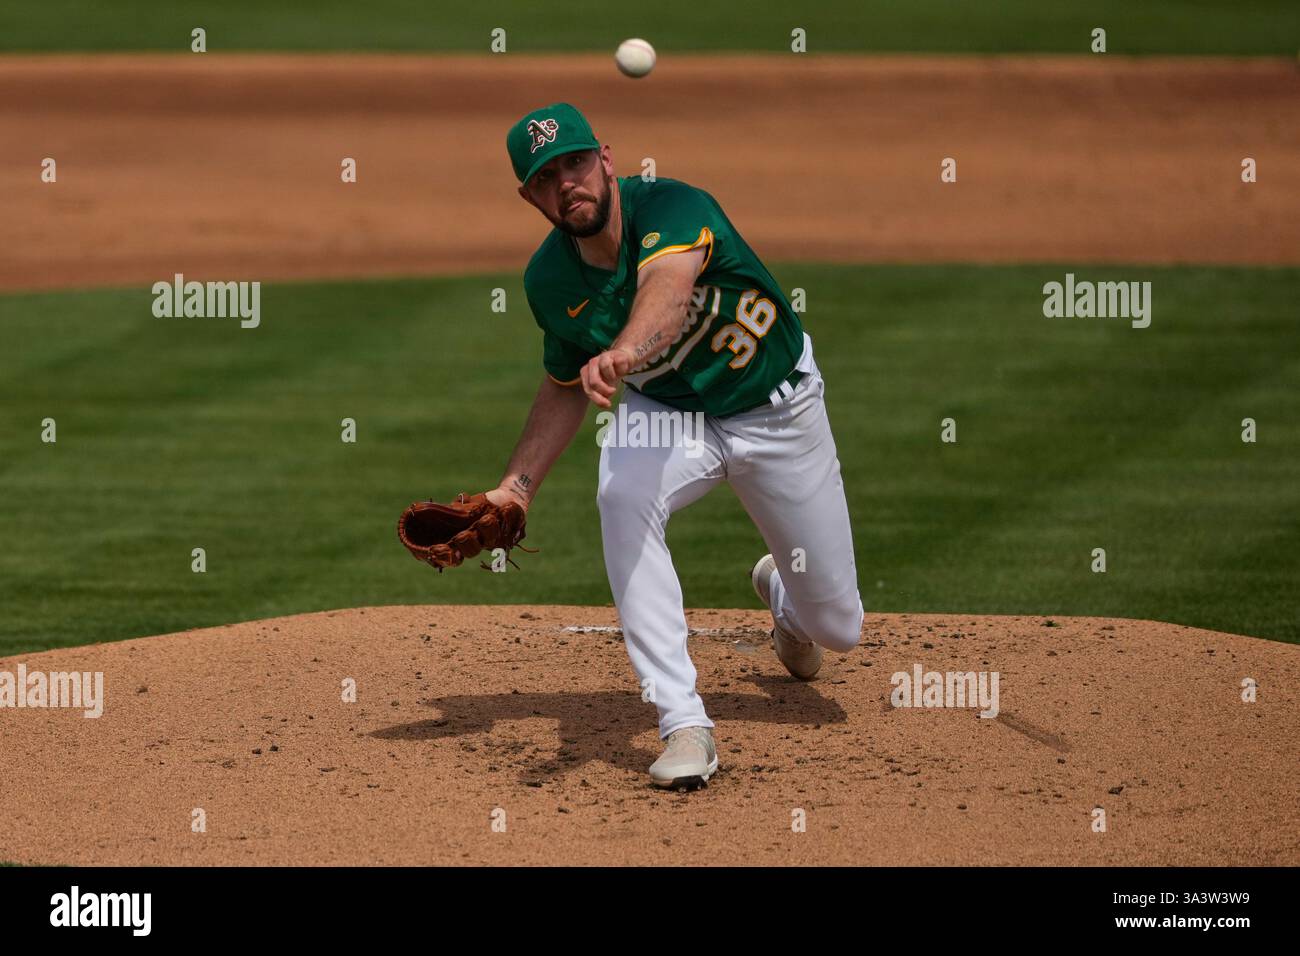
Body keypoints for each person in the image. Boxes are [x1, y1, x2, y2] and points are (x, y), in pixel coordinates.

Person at [486, 103, 864, 789]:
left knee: (839, 628)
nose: (566, 183)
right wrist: (516, 486)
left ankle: (784, 593)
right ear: (529, 196)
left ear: (605, 159)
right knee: (621, 493)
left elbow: (668, 287)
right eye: (546, 177)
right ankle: (683, 722)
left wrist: (624, 351)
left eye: (575, 163)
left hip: (778, 411)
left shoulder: (674, 205)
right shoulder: (549, 281)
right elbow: (563, 382)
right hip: (670, 415)